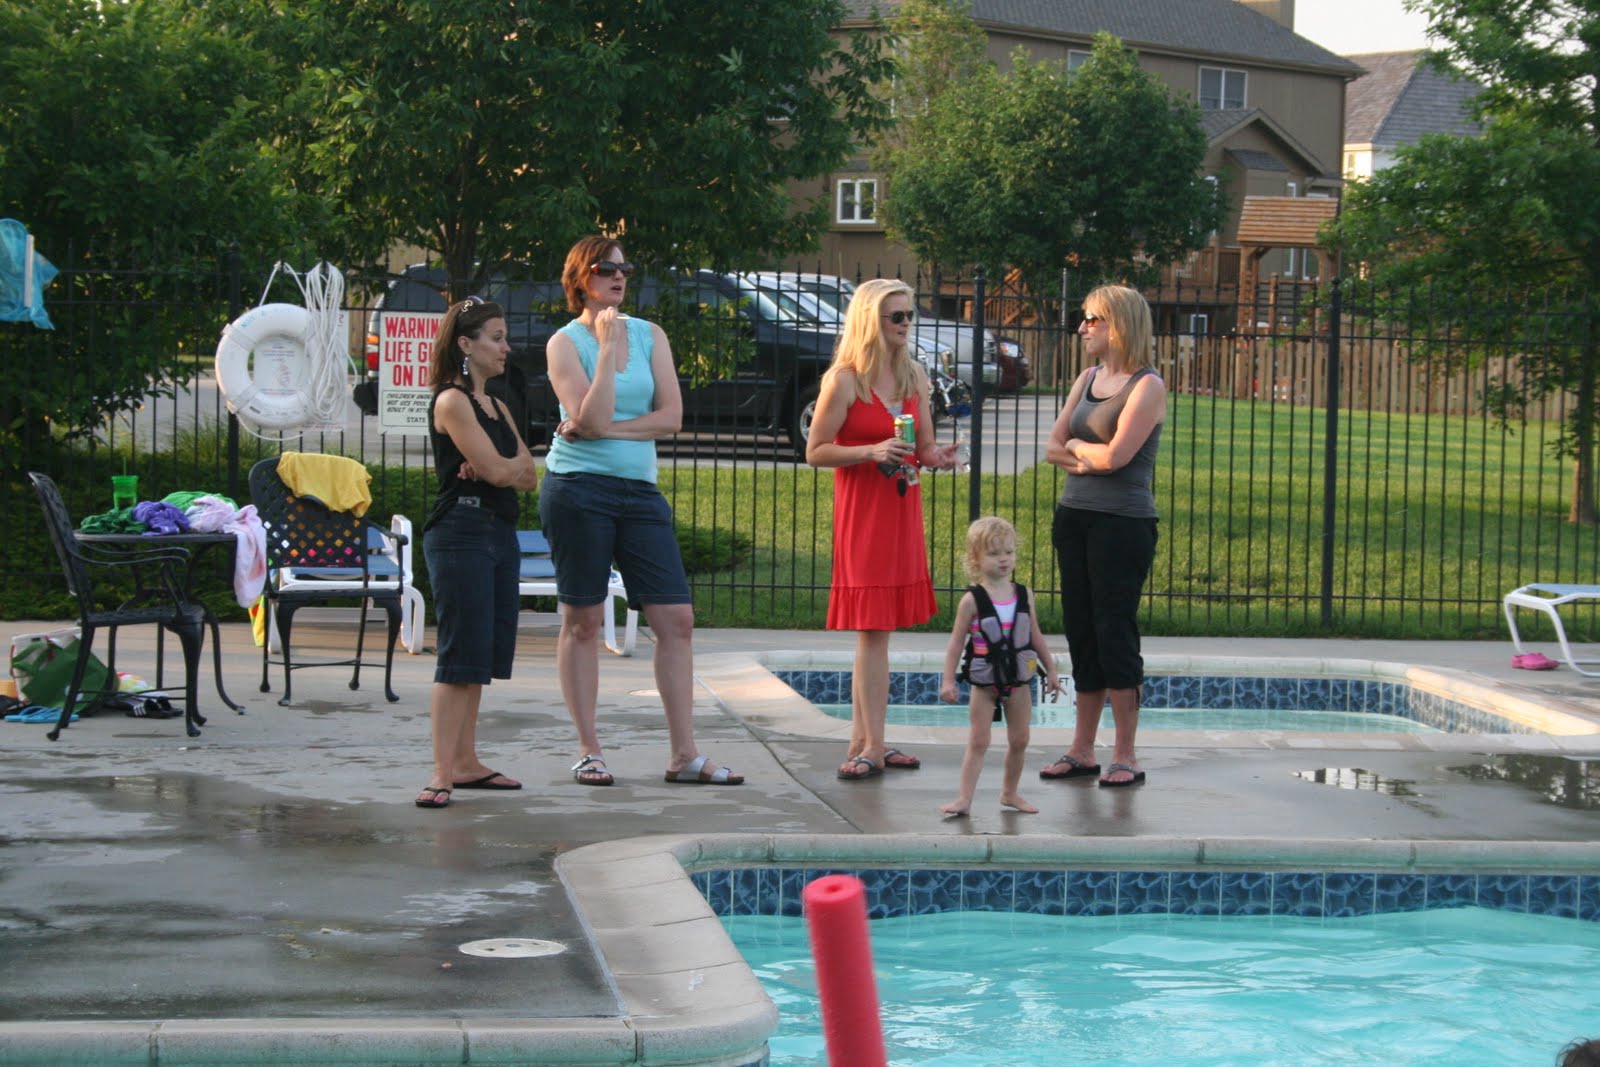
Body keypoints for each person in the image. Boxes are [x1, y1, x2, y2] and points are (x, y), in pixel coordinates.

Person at [541, 235, 742, 787]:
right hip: (577, 489)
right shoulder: (564, 344)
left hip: (639, 492)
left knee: (677, 620)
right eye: (606, 269)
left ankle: (684, 755)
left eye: (625, 269)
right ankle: (590, 750)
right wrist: (606, 351)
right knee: (583, 622)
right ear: (581, 278)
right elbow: (590, 414)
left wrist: (601, 428)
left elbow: (670, 417)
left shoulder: (652, 335)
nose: (619, 277)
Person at [806, 277, 961, 781]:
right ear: (871, 321)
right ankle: (872, 744)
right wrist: (869, 452)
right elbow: (815, 451)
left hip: (901, 512)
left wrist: (938, 457)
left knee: (881, 631)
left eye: (909, 314)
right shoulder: (845, 380)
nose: (906, 324)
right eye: (897, 316)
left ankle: (865, 741)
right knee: (872, 632)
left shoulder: (914, 376)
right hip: (864, 517)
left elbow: (923, 449)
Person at [1038, 284, 1165, 789]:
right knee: (1082, 632)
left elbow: (1117, 458)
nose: (1082, 327)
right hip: (1074, 518)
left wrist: (1077, 448)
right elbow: (1051, 447)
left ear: (1120, 325)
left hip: (1122, 525)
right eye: (1084, 318)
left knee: (1115, 633)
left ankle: (1125, 755)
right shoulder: (1088, 378)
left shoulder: (1147, 386)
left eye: (1093, 319)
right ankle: (1081, 750)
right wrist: (1081, 450)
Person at [416, 296, 540, 809]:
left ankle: (467, 763)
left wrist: (499, 468)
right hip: (460, 532)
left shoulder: (499, 407)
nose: (506, 348)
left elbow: (529, 476)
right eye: (496, 338)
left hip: (498, 532)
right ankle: (442, 772)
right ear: (466, 344)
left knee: (481, 656)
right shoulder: (452, 401)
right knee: (458, 654)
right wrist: (497, 468)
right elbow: (498, 470)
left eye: (504, 337)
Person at [939, 516, 1061, 815]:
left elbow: (1035, 635)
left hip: (1018, 683)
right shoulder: (971, 601)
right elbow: (956, 643)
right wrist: (948, 681)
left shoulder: (1024, 595)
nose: (1004, 559)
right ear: (975, 559)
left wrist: (1052, 670)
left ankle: (1010, 793)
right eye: (994, 553)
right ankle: (964, 799)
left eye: (1009, 552)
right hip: (985, 685)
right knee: (979, 741)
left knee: (1020, 740)